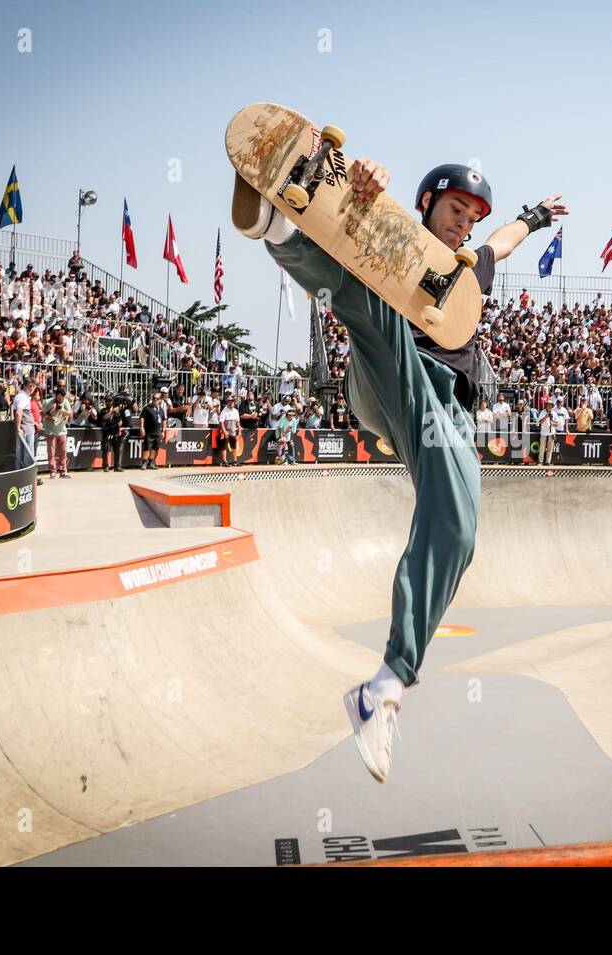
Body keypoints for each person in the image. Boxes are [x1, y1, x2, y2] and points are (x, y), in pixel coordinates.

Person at [245, 156, 567, 782]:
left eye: (471, 220)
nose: (463, 228)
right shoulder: (404, 237)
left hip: (443, 412)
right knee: (376, 300)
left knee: (460, 527)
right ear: (425, 205)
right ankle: (279, 230)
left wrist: (533, 217)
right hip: (388, 371)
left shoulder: (467, 269)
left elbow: (500, 242)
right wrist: (360, 185)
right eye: (455, 212)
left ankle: (384, 688)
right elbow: (361, 223)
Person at [41, 384, 73, 479]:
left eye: (61, 399)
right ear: (55, 396)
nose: (59, 400)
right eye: (58, 398)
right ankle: (52, 471)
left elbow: (70, 413)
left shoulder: (66, 402)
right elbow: (44, 417)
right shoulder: (48, 402)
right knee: (51, 453)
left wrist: (62, 410)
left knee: (63, 452)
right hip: (51, 431)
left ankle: (63, 470)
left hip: (62, 431)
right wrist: (51, 410)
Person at [99, 393, 127, 472]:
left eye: (109, 401)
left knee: (117, 450)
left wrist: (119, 428)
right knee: (106, 450)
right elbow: (104, 418)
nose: (107, 402)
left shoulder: (117, 411)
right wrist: (112, 412)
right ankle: (106, 466)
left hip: (115, 432)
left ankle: (117, 466)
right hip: (107, 432)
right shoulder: (103, 410)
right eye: (106, 401)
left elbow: (119, 421)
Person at [139, 392, 165, 469]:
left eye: (157, 398)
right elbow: (142, 418)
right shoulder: (147, 408)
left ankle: (150, 463)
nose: (155, 400)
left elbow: (164, 420)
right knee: (147, 448)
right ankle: (144, 463)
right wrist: (142, 427)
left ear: (160, 400)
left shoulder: (161, 410)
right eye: (154, 398)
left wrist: (163, 431)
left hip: (157, 432)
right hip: (149, 432)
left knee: (154, 448)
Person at [218, 394, 241, 466]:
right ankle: (224, 461)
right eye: (229, 401)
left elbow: (237, 422)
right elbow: (221, 422)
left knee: (234, 446)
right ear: (227, 402)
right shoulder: (224, 411)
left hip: (233, 431)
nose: (231, 403)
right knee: (223, 446)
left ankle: (235, 461)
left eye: (232, 401)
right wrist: (224, 431)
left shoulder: (236, 411)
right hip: (225, 431)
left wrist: (239, 430)